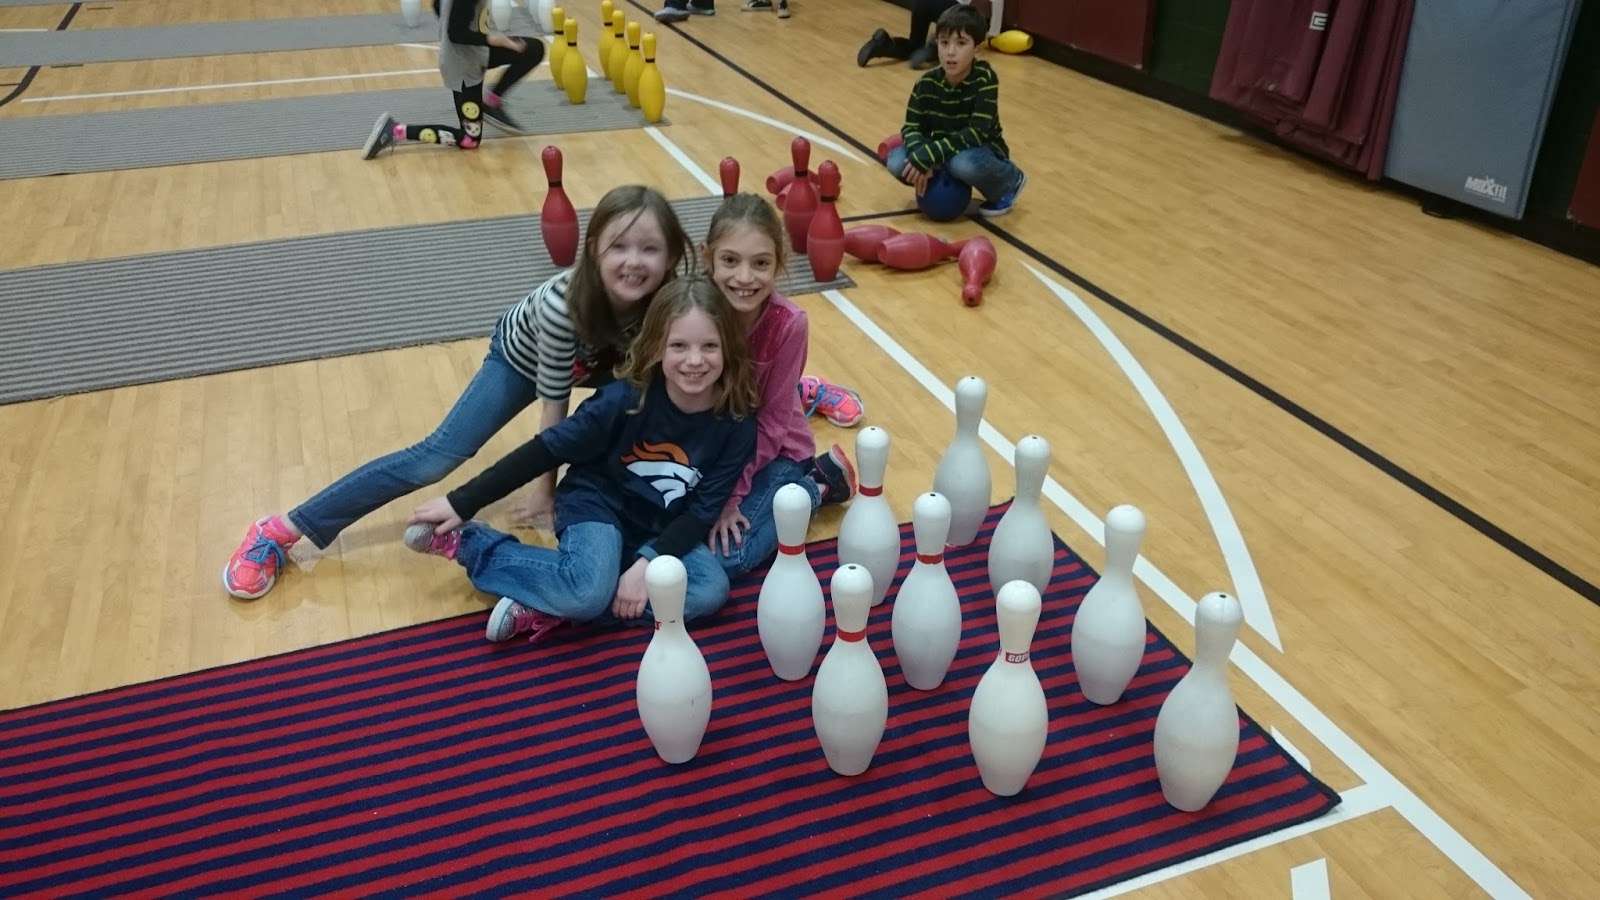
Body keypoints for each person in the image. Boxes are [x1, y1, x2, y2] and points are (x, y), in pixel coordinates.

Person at [223, 185, 694, 600]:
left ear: (671, 256)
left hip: (597, 363)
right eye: (619, 246)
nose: (634, 262)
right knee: (436, 458)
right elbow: (555, 406)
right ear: (593, 250)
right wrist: (543, 493)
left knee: (637, 408)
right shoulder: (561, 306)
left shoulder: (669, 302)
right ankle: (282, 529)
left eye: (649, 249)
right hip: (523, 360)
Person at [404, 275, 760, 643]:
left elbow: (701, 512)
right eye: (679, 346)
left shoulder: (738, 425)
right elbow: (546, 449)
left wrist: (647, 563)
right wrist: (462, 501)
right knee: (590, 591)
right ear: (656, 347)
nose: (695, 360)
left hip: (659, 525)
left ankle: (555, 600)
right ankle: (472, 543)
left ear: (728, 348)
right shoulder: (623, 399)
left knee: (709, 590)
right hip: (597, 504)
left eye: (709, 346)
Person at [701, 193, 856, 578]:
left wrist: (729, 496)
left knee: (727, 557)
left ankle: (817, 484)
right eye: (730, 260)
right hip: (710, 449)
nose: (744, 278)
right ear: (707, 258)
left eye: (760, 263)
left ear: (779, 262)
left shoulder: (789, 324)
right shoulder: (690, 310)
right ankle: (803, 392)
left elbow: (771, 425)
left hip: (776, 451)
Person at [885, 3, 1025, 216]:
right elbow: (912, 127)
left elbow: (976, 133)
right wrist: (921, 154)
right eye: (944, 42)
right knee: (896, 162)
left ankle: (1010, 180)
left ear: (977, 49)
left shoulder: (985, 79)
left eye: (961, 43)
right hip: (944, 150)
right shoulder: (926, 83)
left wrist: (929, 154)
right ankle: (943, 173)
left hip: (979, 150)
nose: (950, 52)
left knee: (962, 164)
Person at [363, 0, 545, 158]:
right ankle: (395, 131)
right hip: (463, 67)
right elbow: (456, 33)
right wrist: (495, 39)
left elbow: (437, 5)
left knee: (534, 49)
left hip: (478, 52)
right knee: (469, 140)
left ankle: (490, 102)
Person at [857, 0, 977, 69]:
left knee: (914, 45)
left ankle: (884, 44)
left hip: (923, 3)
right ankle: (935, 47)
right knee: (964, 32)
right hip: (953, 8)